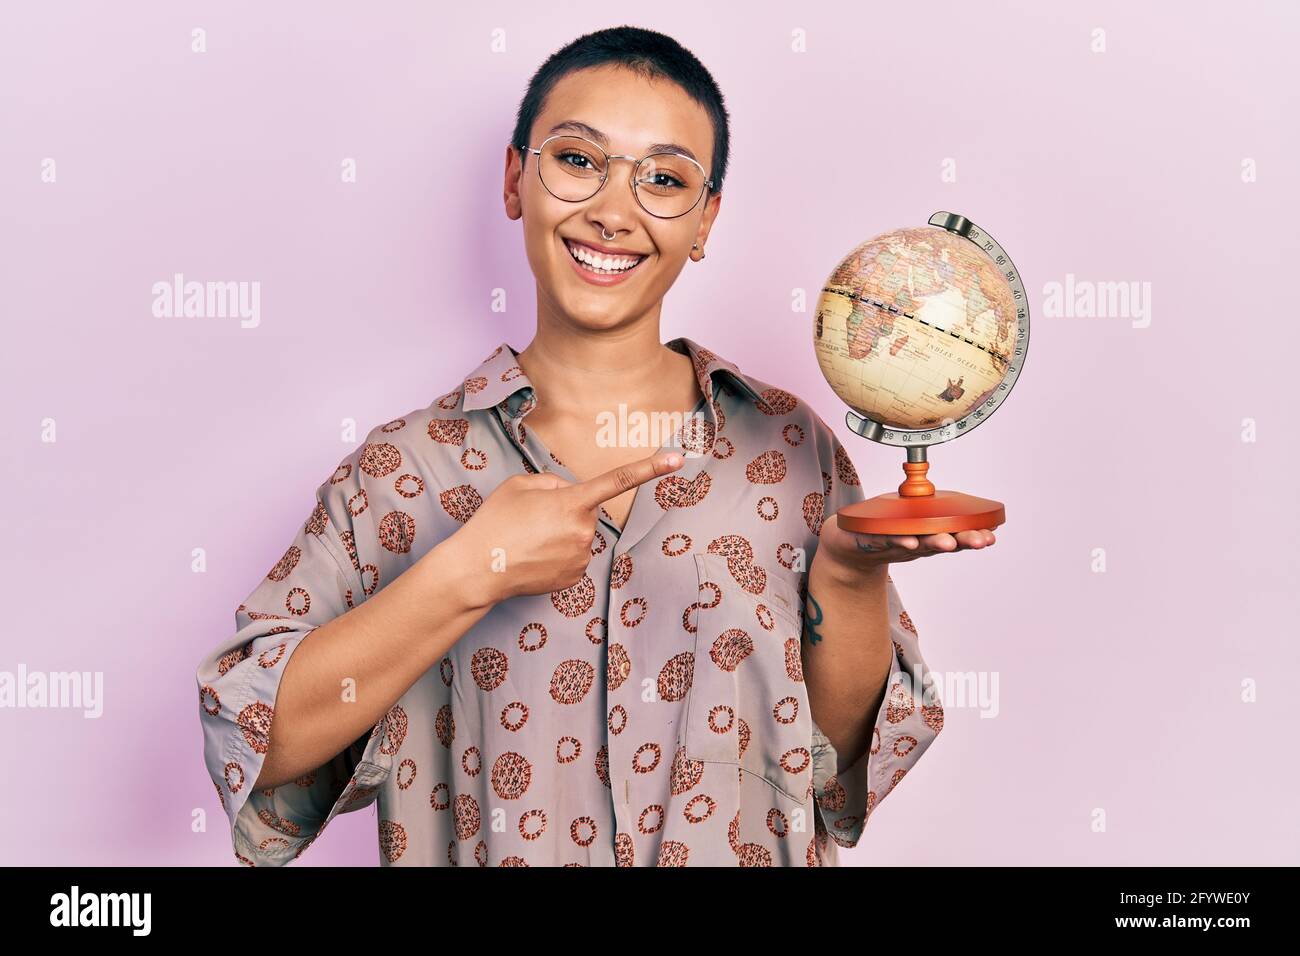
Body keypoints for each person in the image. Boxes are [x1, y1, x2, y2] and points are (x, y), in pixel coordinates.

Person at [194, 25, 995, 868]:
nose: (614, 212)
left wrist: (846, 572)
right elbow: (257, 741)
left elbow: (830, 764)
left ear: (705, 220)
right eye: (578, 160)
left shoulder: (792, 448)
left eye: (664, 179)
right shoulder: (400, 473)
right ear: (516, 180)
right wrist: (470, 573)